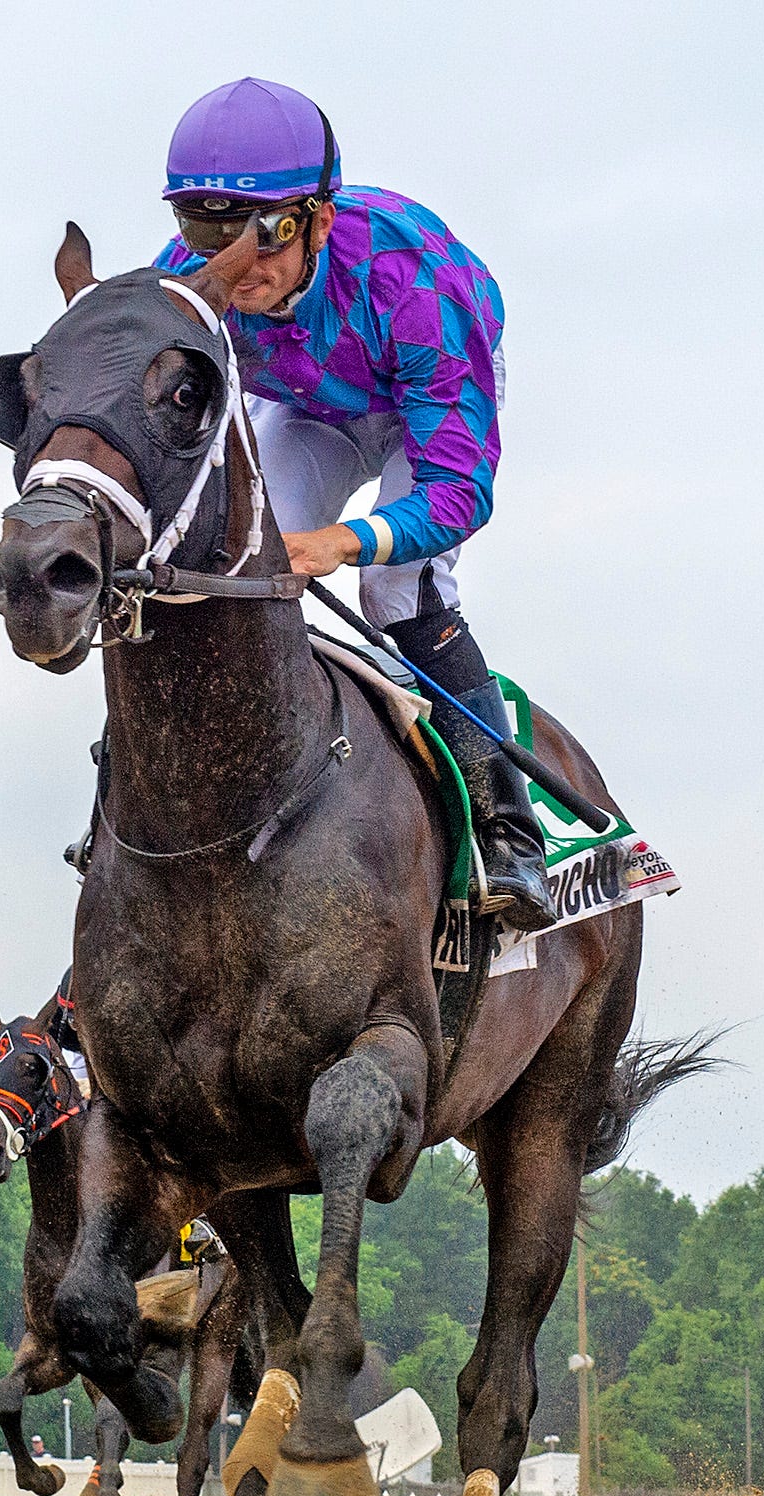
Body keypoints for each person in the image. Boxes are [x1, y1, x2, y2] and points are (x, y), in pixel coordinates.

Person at [154, 77, 557, 934]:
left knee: (395, 591)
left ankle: (508, 826)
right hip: (310, 402)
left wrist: (343, 540)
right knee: (234, 557)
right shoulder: (185, 281)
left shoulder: (415, 286)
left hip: (424, 395)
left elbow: (457, 493)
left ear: (319, 221)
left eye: (264, 235)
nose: (235, 266)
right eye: (205, 230)